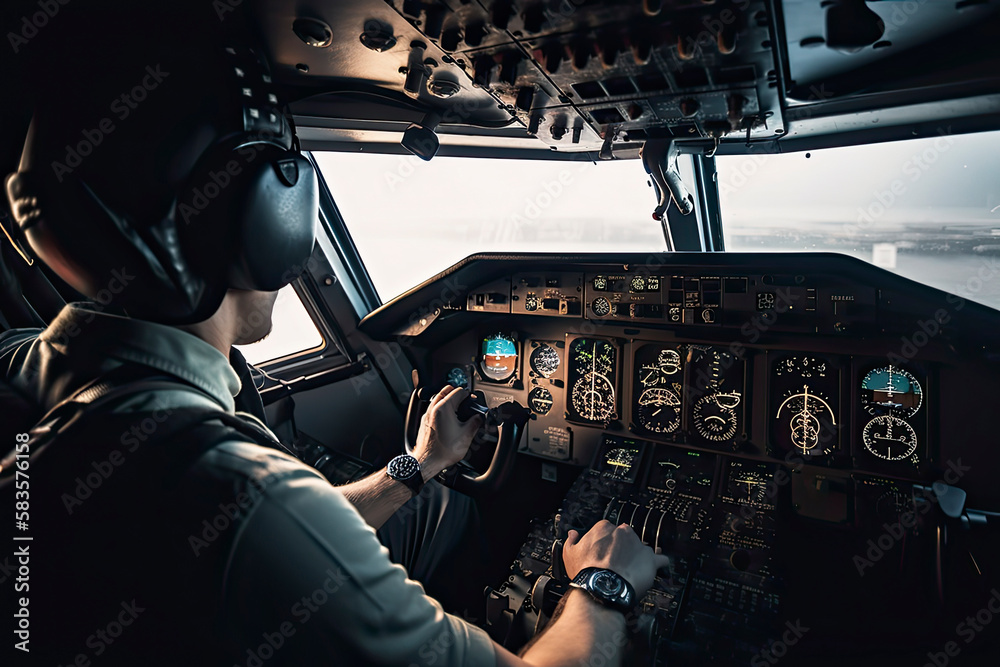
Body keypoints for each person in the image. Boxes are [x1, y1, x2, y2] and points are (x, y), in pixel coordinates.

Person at [0, 6, 669, 666]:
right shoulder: (242, 494)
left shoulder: (28, 370)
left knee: (436, 504)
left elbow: (294, 531)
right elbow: (274, 524)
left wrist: (419, 464)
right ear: (269, 217)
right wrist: (602, 586)